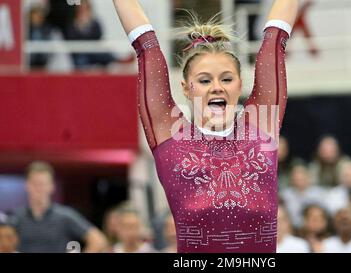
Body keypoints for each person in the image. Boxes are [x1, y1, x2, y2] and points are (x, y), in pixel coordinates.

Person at [112, 0, 299, 253]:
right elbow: (146, 48)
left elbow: (275, 41)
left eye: (226, 78)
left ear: (240, 84)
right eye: (204, 80)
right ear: (187, 88)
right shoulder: (171, 137)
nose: (216, 87)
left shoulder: (260, 127)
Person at [14, 161, 107, 253]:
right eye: (35, 183)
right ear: (27, 185)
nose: (39, 188)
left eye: (43, 184)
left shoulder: (65, 216)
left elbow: (98, 240)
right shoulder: (15, 217)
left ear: (52, 186)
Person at [280, 163, 326, 228]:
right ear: (292, 180)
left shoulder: (319, 193)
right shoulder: (285, 195)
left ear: (308, 178)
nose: (299, 181)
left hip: (314, 226)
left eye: (302, 178)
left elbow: (323, 214)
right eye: (297, 179)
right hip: (292, 227)